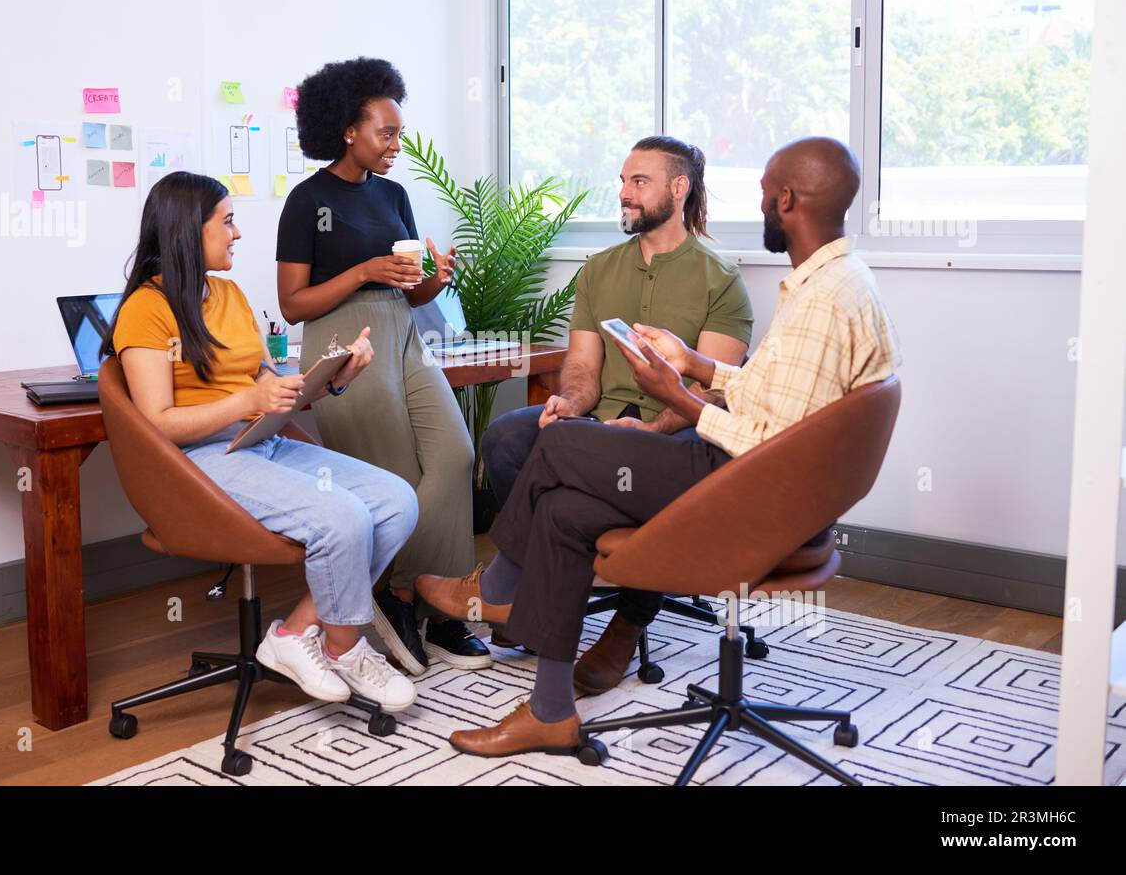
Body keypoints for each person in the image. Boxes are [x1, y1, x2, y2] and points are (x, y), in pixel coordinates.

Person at [417, 137, 902, 756]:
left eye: (762, 191)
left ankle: (504, 588)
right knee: (564, 506)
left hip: (750, 491)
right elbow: (770, 399)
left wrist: (674, 395)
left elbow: (765, 439)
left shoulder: (818, 299)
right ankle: (551, 712)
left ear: (786, 199)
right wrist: (696, 365)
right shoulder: (839, 281)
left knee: (561, 447)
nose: (757, 202)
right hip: (763, 480)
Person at [102, 170, 419, 713]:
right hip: (198, 462)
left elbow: (269, 384)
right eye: (227, 222)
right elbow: (155, 422)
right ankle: (345, 645)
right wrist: (245, 404)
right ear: (187, 231)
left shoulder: (227, 293)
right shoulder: (145, 311)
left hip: (260, 441)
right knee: (343, 518)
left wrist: (337, 375)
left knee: (396, 502)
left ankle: (296, 632)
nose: (238, 234)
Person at [480, 136, 753, 693]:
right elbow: (582, 365)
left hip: (672, 433)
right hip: (599, 424)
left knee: (631, 465)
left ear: (679, 189)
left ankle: (628, 619)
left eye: (639, 182)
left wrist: (651, 430)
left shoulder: (721, 281)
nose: (624, 194)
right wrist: (570, 403)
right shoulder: (599, 270)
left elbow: (714, 394)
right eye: (623, 181)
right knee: (508, 437)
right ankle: (549, 592)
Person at [275, 57, 490, 676]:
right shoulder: (307, 200)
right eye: (386, 133)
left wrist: (431, 279)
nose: (398, 144)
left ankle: (436, 594)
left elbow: (413, 290)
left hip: (404, 335)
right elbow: (293, 305)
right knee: (392, 472)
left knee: (454, 455)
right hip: (344, 342)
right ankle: (392, 600)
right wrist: (366, 271)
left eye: (399, 133)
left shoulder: (394, 195)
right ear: (348, 130)